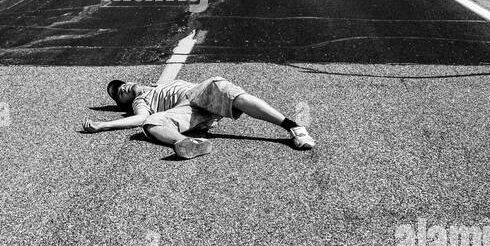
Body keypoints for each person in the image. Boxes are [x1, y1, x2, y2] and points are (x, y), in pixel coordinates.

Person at [82, 76, 315, 159]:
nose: (122, 89)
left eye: (121, 85)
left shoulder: (157, 84)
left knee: (230, 93)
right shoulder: (139, 101)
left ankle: (293, 127)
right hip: (188, 110)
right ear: (123, 103)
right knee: (152, 123)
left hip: (201, 93)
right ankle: (187, 144)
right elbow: (140, 118)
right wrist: (105, 124)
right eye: (118, 94)